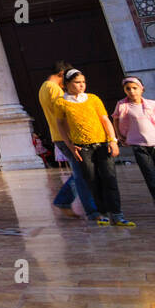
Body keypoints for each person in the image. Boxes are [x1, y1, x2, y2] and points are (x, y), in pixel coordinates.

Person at [54, 68, 133, 227]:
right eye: (77, 82)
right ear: (68, 84)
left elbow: (105, 120)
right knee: (92, 180)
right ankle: (102, 213)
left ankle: (117, 214)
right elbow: (60, 124)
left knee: (109, 179)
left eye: (83, 82)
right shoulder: (61, 102)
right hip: (82, 147)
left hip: (102, 144)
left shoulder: (93, 99)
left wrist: (112, 140)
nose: (81, 85)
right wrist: (69, 144)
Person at [112, 76, 155, 222]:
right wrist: (119, 135)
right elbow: (116, 118)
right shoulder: (122, 105)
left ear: (142, 88)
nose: (132, 91)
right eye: (128, 89)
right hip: (139, 146)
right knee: (151, 177)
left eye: (134, 88)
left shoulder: (152, 104)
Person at [38, 60, 98, 220]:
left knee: (81, 171)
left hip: (58, 136)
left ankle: (64, 200)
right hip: (67, 137)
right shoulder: (54, 89)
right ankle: (91, 210)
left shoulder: (44, 87)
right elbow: (65, 114)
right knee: (82, 173)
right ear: (61, 75)